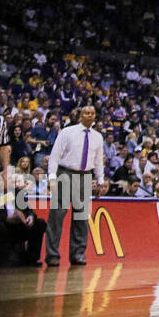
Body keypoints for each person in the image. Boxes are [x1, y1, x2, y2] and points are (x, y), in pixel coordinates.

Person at [44, 105, 106, 267]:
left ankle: (78, 254)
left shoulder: (98, 137)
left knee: (82, 218)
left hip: (85, 176)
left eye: (92, 113)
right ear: (80, 116)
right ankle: (52, 255)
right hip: (65, 173)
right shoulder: (67, 132)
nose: (90, 115)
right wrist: (51, 178)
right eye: (86, 112)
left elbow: (98, 161)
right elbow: (54, 157)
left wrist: (100, 181)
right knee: (57, 216)